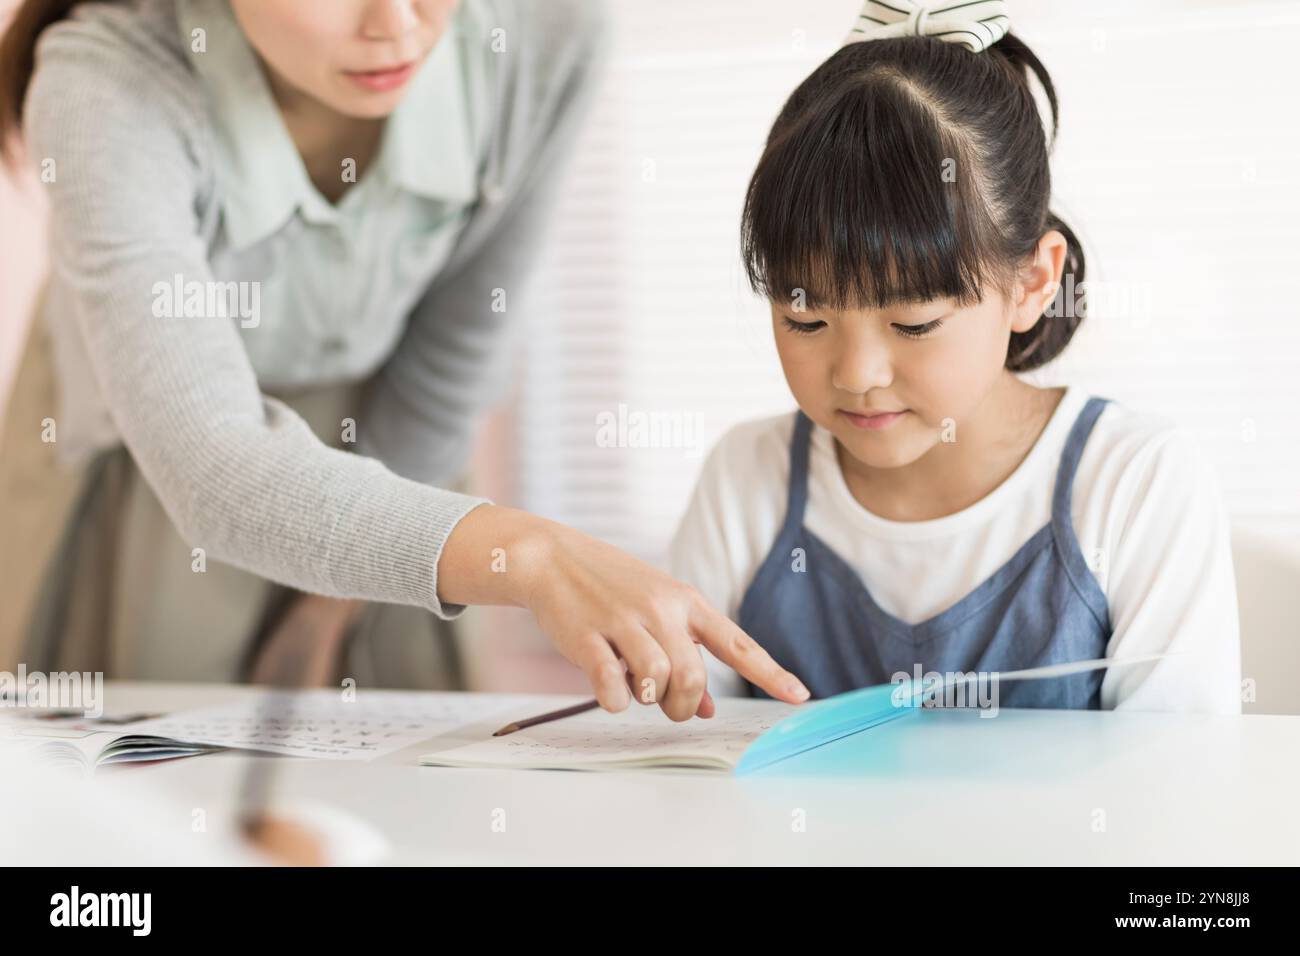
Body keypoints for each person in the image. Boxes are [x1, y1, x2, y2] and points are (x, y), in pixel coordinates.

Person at [0, 0, 811, 720]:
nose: (394, 25)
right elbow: (210, 463)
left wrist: (334, 608)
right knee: (166, 786)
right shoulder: (101, 83)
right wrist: (529, 554)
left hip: (396, 451)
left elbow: (457, 346)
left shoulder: (547, 35)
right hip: (150, 446)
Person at [670, 0, 1240, 712]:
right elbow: (672, 762)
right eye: (805, 319)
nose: (856, 374)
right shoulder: (745, 482)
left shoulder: (1134, 484)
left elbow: (1179, 793)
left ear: (1032, 282)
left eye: (912, 322)